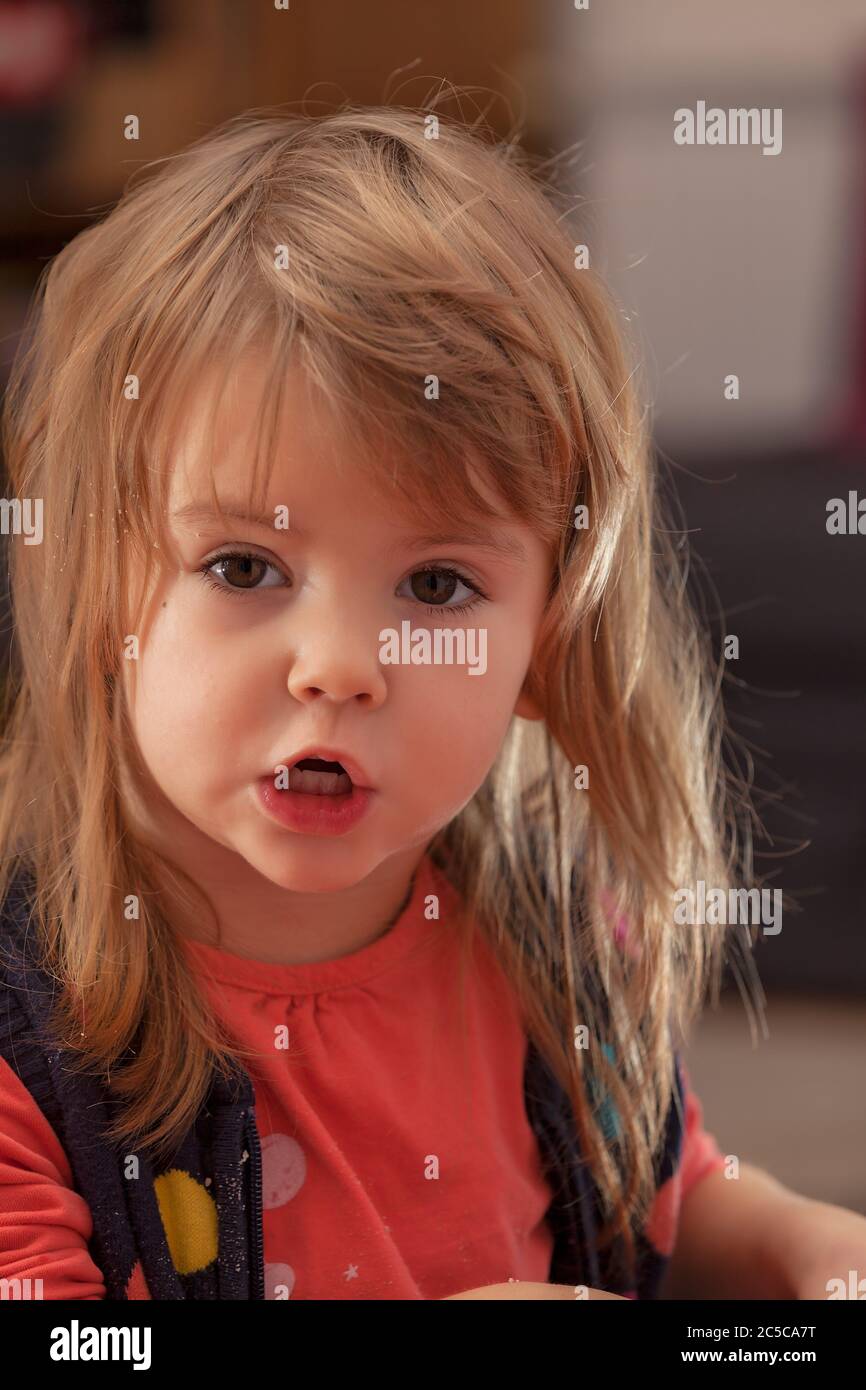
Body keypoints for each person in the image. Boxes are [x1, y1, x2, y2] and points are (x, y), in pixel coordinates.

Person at [0, 104, 862, 1302]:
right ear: (94, 589)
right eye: (244, 567)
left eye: (438, 584)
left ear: (544, 640)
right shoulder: (27, 1030)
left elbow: (666, 1192)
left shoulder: (547, 950)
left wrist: (795, 1247)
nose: (341, 666)